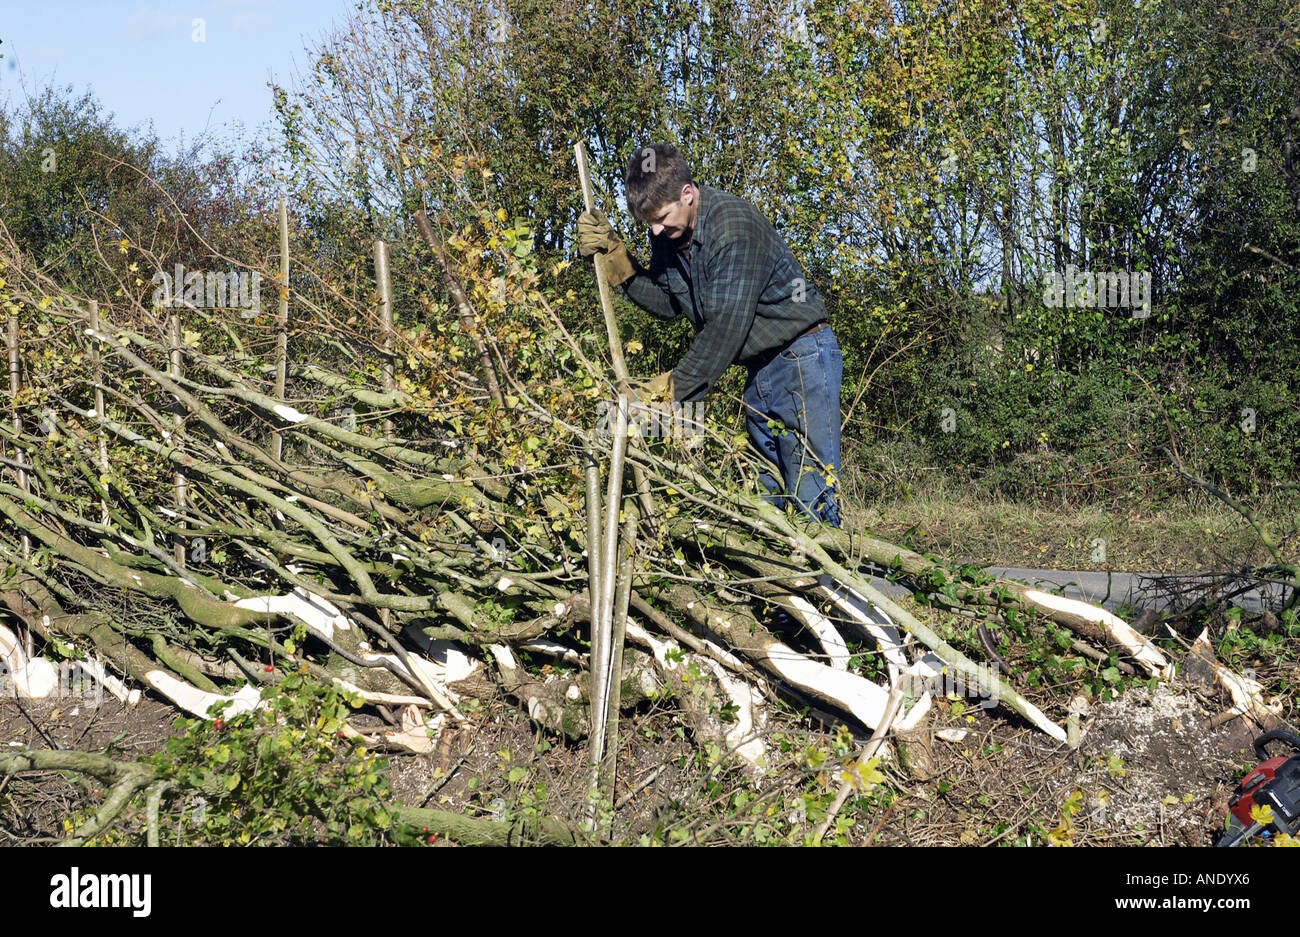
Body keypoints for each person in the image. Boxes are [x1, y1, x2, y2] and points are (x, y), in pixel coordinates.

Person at [577, 142, 843, 527]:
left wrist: (666, 392)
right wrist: (618, 262)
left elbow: (724, 329)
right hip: (759, 370)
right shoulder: (667, 234)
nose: (654, 229)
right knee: (769, 497)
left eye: (662, 217)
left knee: (811, 492)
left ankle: (830, 584)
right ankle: (790, 586)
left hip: (802, 359)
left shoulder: (732, 226)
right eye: (647, 222)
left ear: (688, 193)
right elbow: (670, 304)